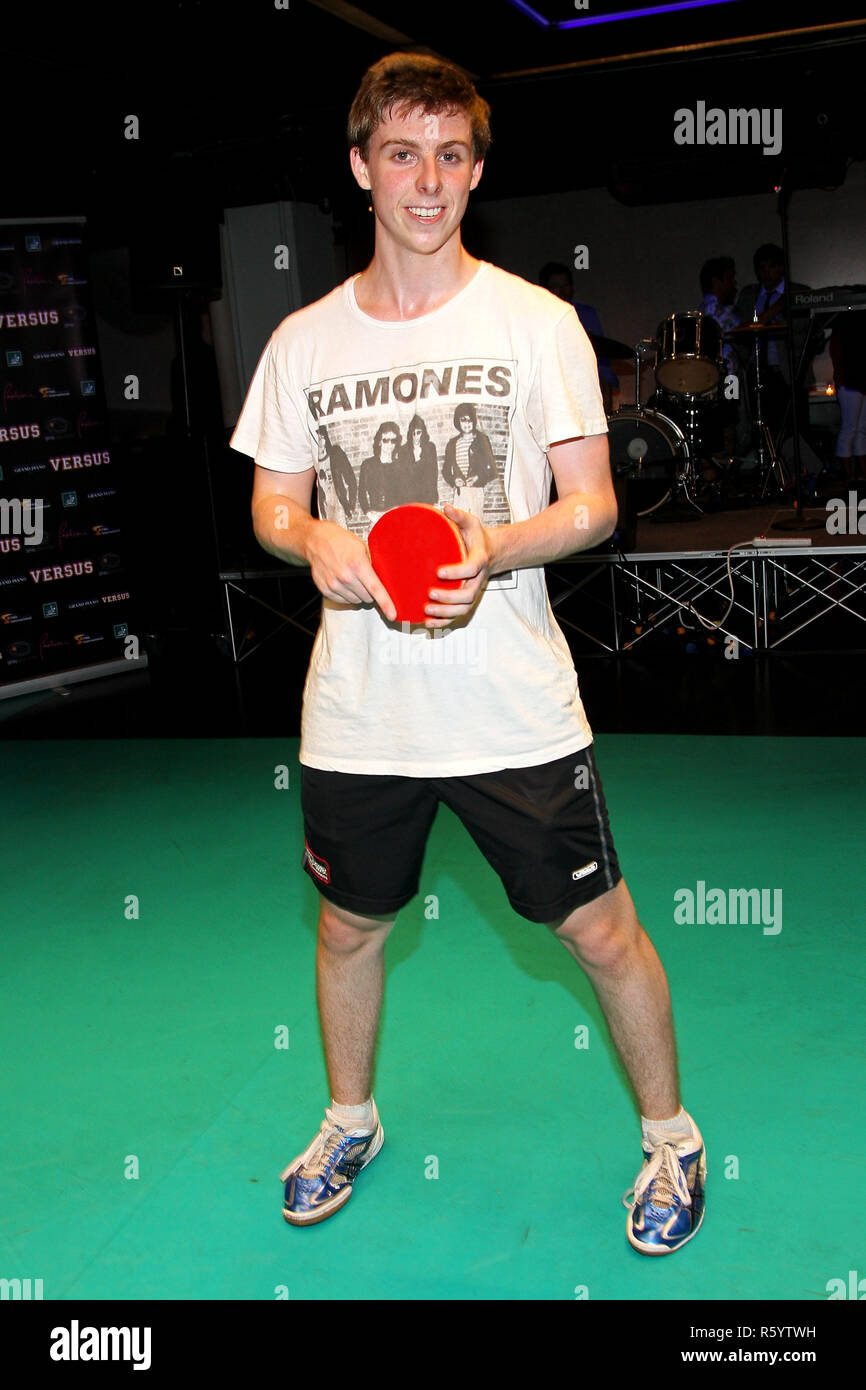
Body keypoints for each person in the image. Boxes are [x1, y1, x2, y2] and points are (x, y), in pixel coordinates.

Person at [230, 50, 705, 1258]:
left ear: (475, 170)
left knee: (598, 927)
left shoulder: (535, 323)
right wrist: (317, 542)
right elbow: (271, 511)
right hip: (358, 710)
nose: (426, 180)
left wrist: (491, 543)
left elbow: (594, 506)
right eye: (402, 153)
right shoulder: (300, 342)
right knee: (348, 929)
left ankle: (670, 1137)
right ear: (360, 169)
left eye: (450, 154)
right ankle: (350, 1117)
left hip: (511, 704)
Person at [539, 261, 619, 414]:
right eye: (556, 286)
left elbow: (601, 356)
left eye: (565, 285)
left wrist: (606, 395)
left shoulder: (586, 314)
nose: (562, 291)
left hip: (581, 392)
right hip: (548, 392)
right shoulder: (536, 315)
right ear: (544, 289)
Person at [829, 314, 866, 479]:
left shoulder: (844, 331)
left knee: (858, 430)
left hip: (855, 383)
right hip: (850, 383)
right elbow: (838, 359)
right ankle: (850, 475)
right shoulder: (844, 331)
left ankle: (857, 473)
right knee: (851, 429)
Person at [395, 412, 439, 502]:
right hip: (410, 498)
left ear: (423, 432)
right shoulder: (403, 451)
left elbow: (433, 473)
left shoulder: (430, 447)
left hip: (427, 496)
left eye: (418, 433)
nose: (415, 437)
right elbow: (404, 477)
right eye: (413, 433)